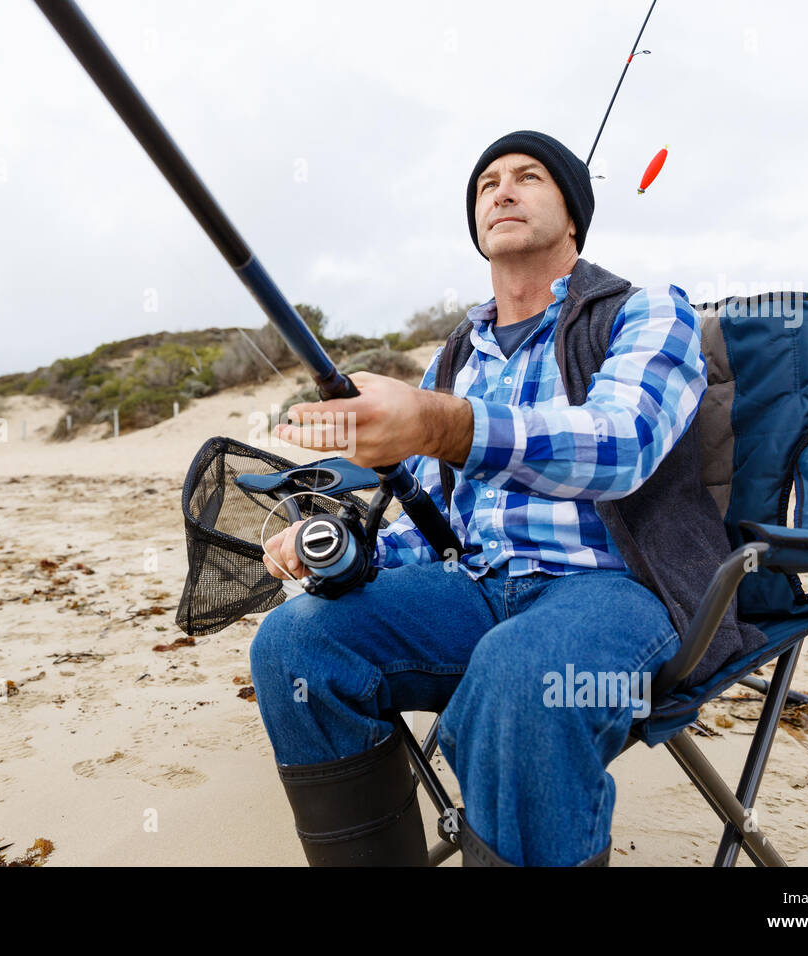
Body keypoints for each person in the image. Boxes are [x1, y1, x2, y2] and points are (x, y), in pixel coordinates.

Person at [249, 130, 756, 866]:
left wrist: (440, 423)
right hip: (477, 586)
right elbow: (433, 515)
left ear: (574, 216)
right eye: (487, 183)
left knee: (522, 676)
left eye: (529, 177)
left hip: (616, 588)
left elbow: (622, 445)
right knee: (295, 643)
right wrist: (350, 549)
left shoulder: (646, 313)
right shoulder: (456, 355)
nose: (503, 190)